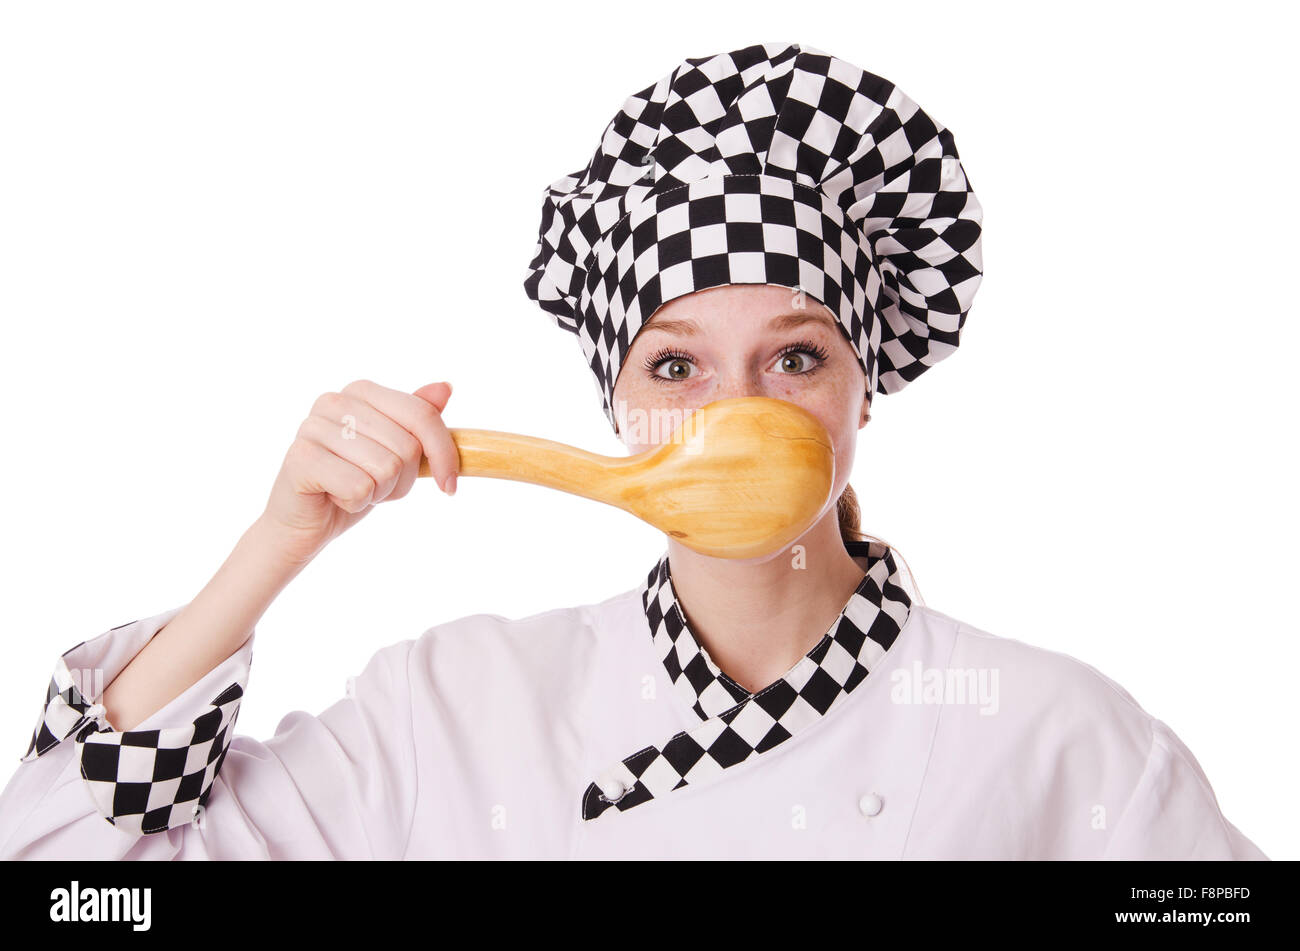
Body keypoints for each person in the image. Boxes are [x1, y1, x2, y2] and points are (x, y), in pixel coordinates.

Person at [0, 42, 1267, 860]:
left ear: (861, 393)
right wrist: (279, 542)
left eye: (795, 357)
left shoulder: (1059, 733)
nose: (735, 410)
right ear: (617, 401)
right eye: (675, 365)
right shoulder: (454, 709)